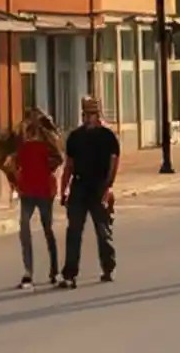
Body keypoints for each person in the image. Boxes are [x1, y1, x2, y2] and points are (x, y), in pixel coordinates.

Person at [58, 96, 120, 289]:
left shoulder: (108, 137)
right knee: (74, 231)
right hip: (79, 186)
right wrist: (63, 190)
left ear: (98, 115)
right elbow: (69, 164)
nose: (89, 117)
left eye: (92, 114)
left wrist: (109, 187)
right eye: (86, 114)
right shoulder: (75, 137)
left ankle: (108, 267)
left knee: (103, 230)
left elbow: (114, 162)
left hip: (99, 186)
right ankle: (70, 273)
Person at [12, 109, 63, 289]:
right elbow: (16, 162)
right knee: (24, 227)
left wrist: (46, 170)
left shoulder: (47, 141)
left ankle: (54, 271)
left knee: (47, 229)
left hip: (43, 191)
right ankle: (28, 272)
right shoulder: (22, 142)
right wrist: (17, 179)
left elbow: (59, 158)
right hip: (27, 191)